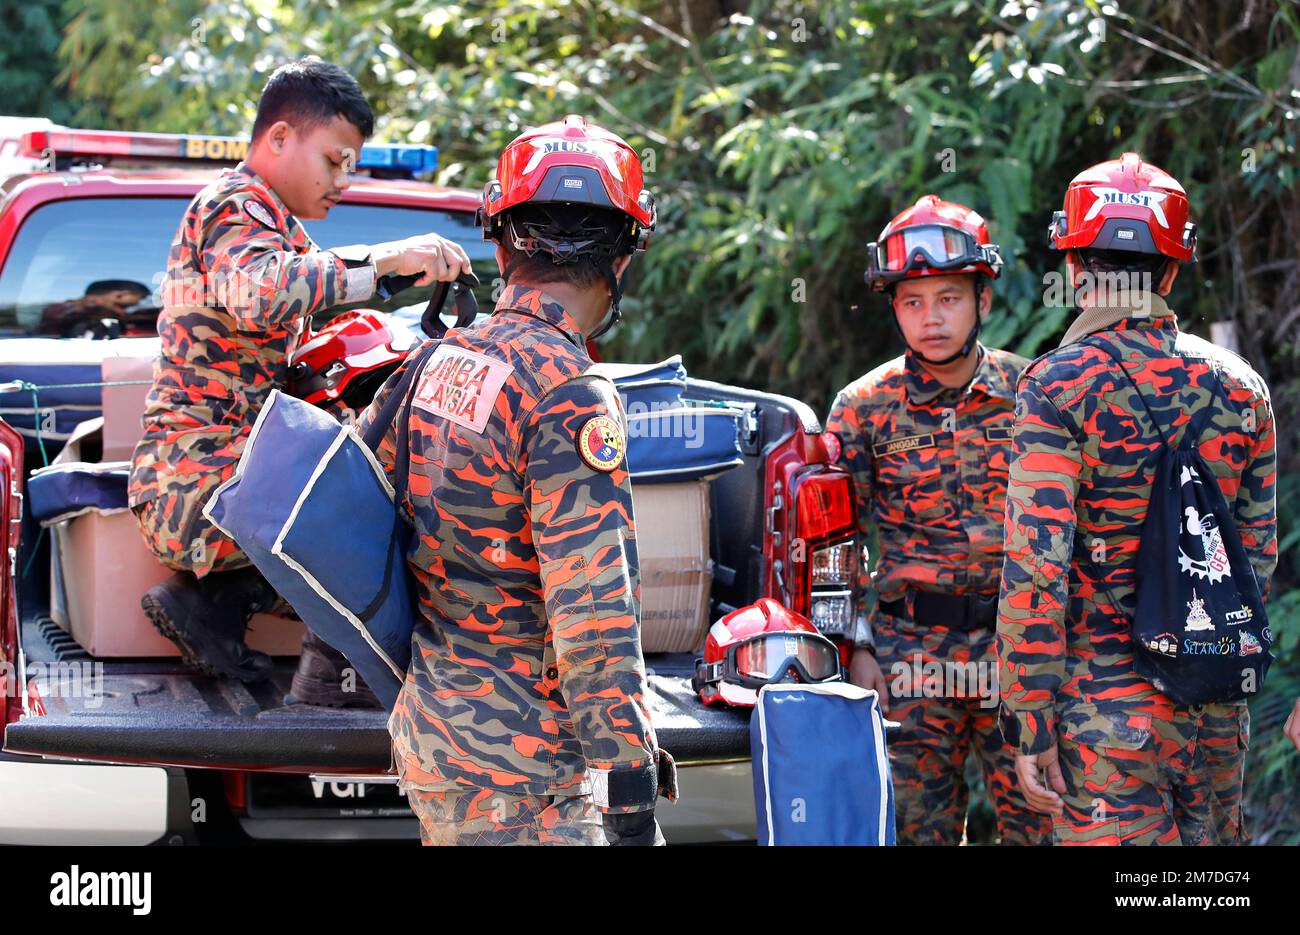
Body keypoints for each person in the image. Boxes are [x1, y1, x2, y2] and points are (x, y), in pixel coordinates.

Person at [359, 114, 673, 846]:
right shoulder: (570, 394)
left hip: (439, 737)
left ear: (498, 242)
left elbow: (356, 498)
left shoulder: (432, 363)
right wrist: (628, 782)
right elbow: (592, 611)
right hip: (530, 778)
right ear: (623, 259)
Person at [128, 58, 472, 696]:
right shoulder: (232, 207)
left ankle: (209, 608)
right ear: (280, 138)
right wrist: (387, 256)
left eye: (349, 165)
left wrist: (408, 273)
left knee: (367, 450)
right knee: (380, 497)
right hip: (195, 480)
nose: (343, 179)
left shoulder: (277, 227)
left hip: (231, 473)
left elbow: (310, 283)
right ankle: (333, 681)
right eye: (334, 160)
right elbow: (262, 292)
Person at [998, 152, 1276, 845]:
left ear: (1074, 269)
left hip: (1105, 720)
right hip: (1215, 704)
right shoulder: (1243, 389)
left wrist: (1028, 719)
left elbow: (1037, 567)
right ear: (1174, 272)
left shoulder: (1055, 385)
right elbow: (1257, 561)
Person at [826, 195, 1051, 846]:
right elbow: (837, 545)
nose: (931, 318)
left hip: (1019, 656)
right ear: (893, 307)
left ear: (983, 299)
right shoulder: (863, 409)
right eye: (912, 301)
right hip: (908, 660)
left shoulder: (1034, 394)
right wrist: (856, 644)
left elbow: (1075, 532)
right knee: (913, 831)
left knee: (1042, 825)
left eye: (948, 297)